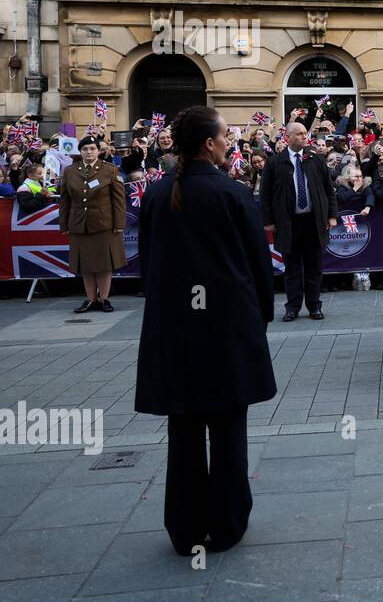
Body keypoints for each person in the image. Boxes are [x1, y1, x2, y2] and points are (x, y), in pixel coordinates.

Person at [135, 106, 276, 556]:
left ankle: (185, 527)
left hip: (176, 331)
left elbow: (149, 269)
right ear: (208, 144)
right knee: (229, 431)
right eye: (224, 136)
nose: (229, 143)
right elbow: (258, 267)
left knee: (185, 431)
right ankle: (228, 524)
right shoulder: (233, 193)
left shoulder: (157, 194)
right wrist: (260, 320)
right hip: (226, 331)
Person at [260, 120, 338, 321]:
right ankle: (292, 307)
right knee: (292, 269)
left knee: (314, 268)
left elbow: (329, 190)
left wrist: (331, 215)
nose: (305, 137)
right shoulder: (275, 162)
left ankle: (314, 306)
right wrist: (268, 220)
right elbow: (265, 194)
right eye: (300, 134)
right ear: (289, 137)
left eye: (305, 133)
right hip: (288, 223)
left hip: (313, 221)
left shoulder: (315, 159)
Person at [58, 135, 126, 313]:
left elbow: (118, 199)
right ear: (80, 152)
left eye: (92, 149)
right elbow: (65, 200)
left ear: (99, 150)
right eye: (85, 149)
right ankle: (90, 299)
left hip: (104, 223)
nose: (89, 152)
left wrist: (119, 223)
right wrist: (63, 224)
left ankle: (104, 298)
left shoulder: (109, 169)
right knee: (85, 264)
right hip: (79, 223)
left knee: (104, 263)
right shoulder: (70, 171)